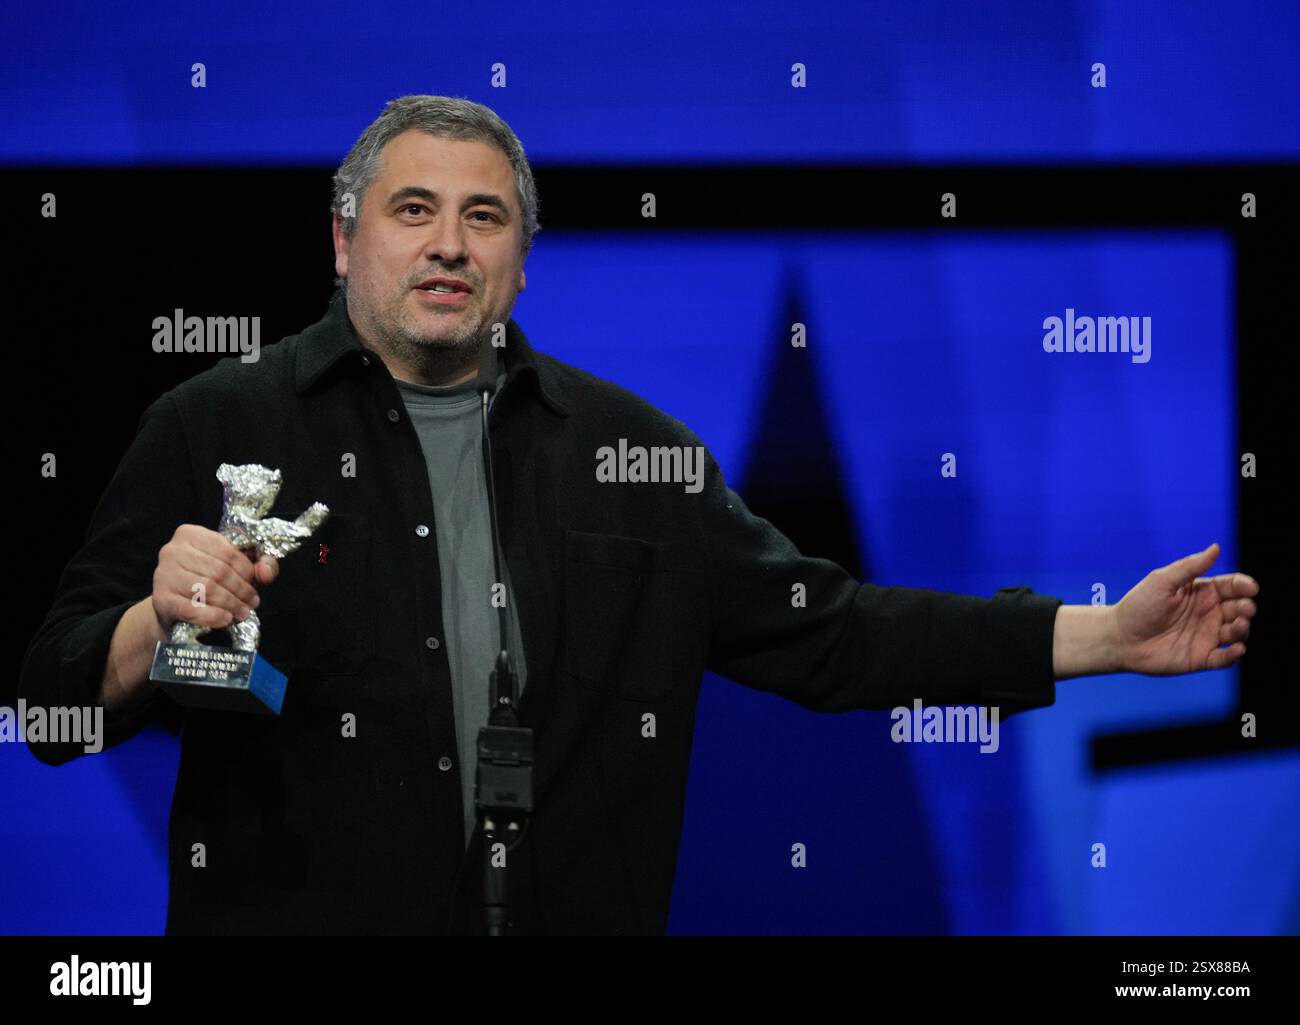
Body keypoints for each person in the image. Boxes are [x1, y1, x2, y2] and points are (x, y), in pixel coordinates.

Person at [19, 95, 1259, 936]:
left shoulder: (632, 451)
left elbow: (829, 629)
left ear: (521, 259)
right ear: (342, 240)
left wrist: (1101, 637)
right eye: (411, 211)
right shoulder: (211, 424)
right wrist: (147, 623)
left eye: (484, 216)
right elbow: (48, 705)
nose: (447, 245)